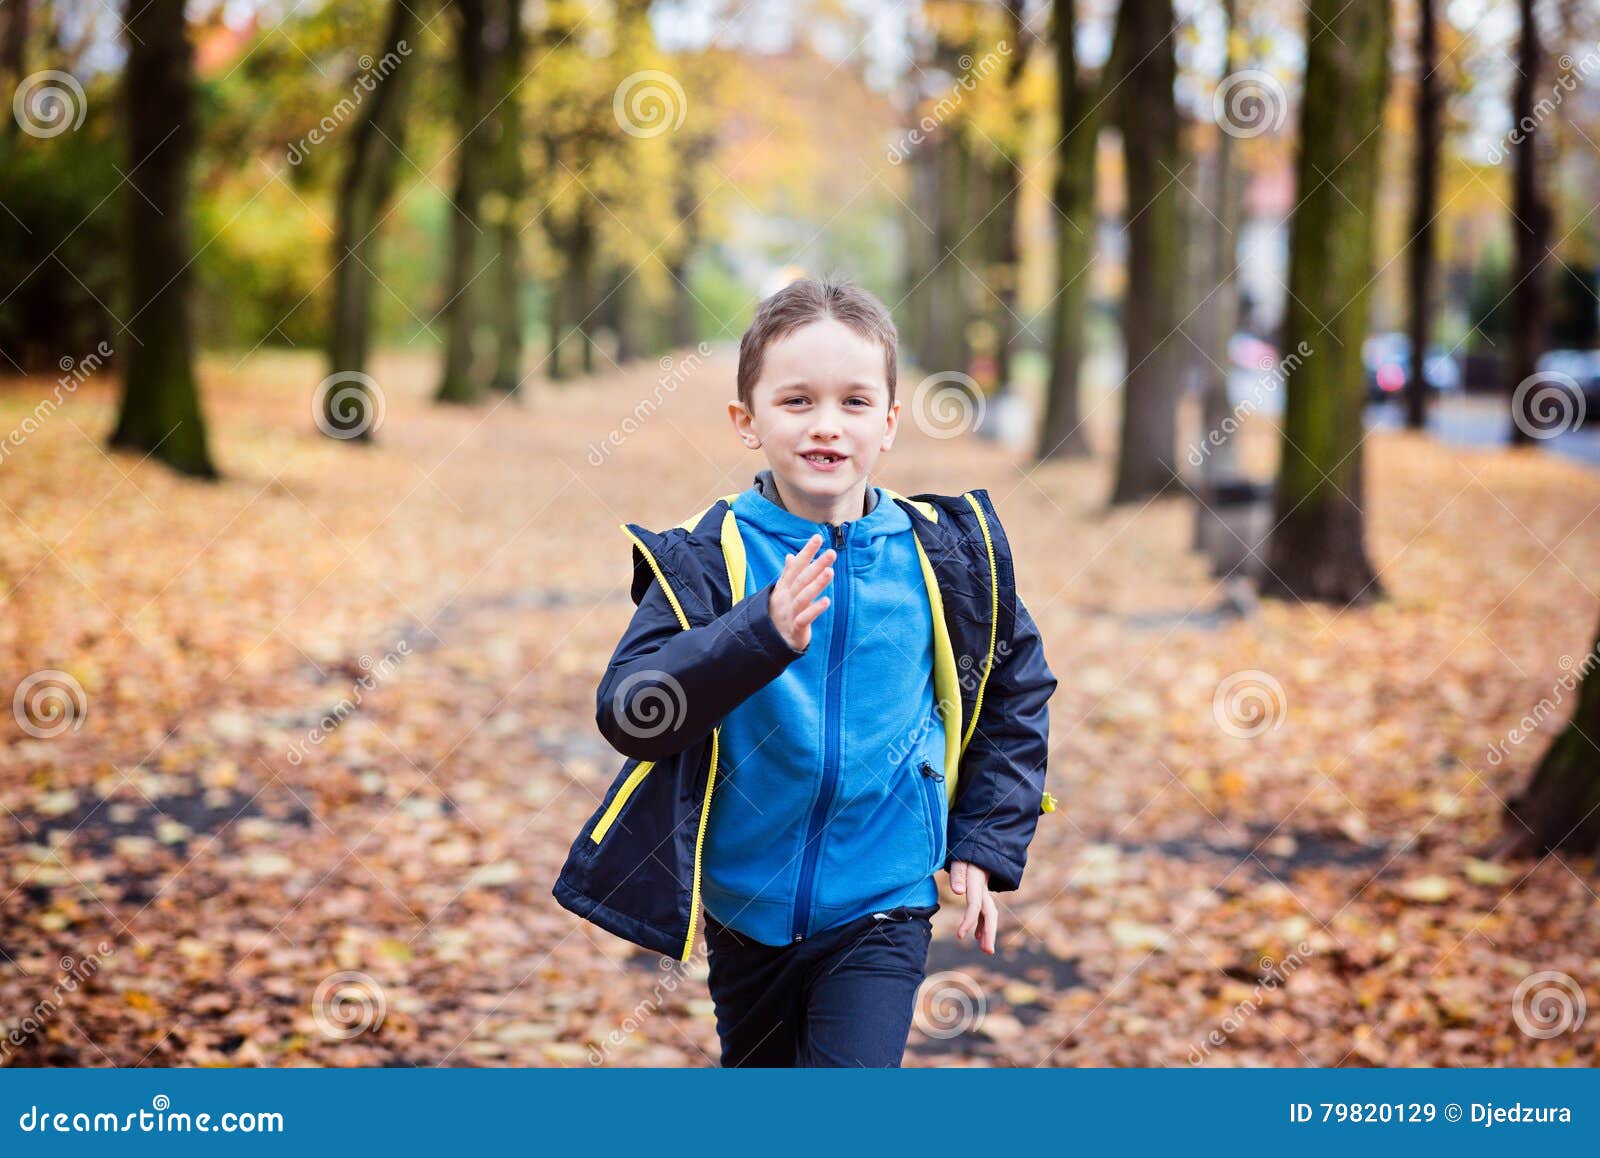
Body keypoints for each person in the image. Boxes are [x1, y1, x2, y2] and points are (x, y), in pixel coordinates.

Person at [553, 276, 1058, 1067]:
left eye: (855, 403)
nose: (827, 426)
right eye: (796, 402)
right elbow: (630, 709)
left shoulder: (946, 558)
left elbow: (1013, 693)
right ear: (745, 422)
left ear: (889, 423)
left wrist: (986, 839)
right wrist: (759, 632)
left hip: (883, 901)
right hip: (745, 904)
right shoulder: (706, 556)